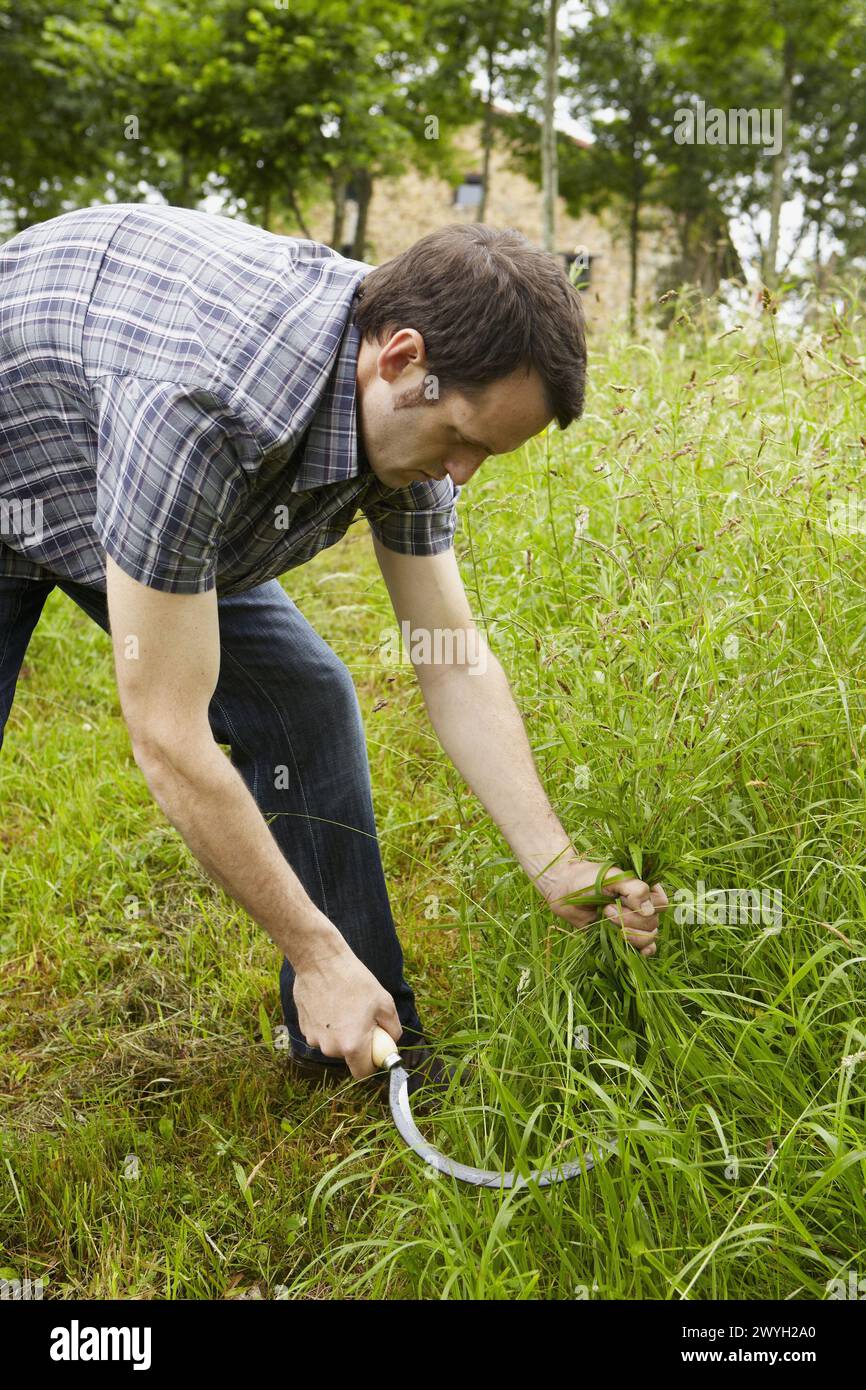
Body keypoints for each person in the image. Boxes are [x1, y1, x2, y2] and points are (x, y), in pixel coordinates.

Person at [0, 203, 666, 1092]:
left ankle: (362, 1039)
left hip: (113, 459)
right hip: (26, 434)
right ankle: (331, 976)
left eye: (487, 455)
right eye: (463, 441)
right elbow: (166, 731)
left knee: (306, 701)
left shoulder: (409, 412)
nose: (462, 474)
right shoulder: (205, 404)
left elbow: (450, 654)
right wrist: (310, 949)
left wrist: (557, 863)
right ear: (400, 361)